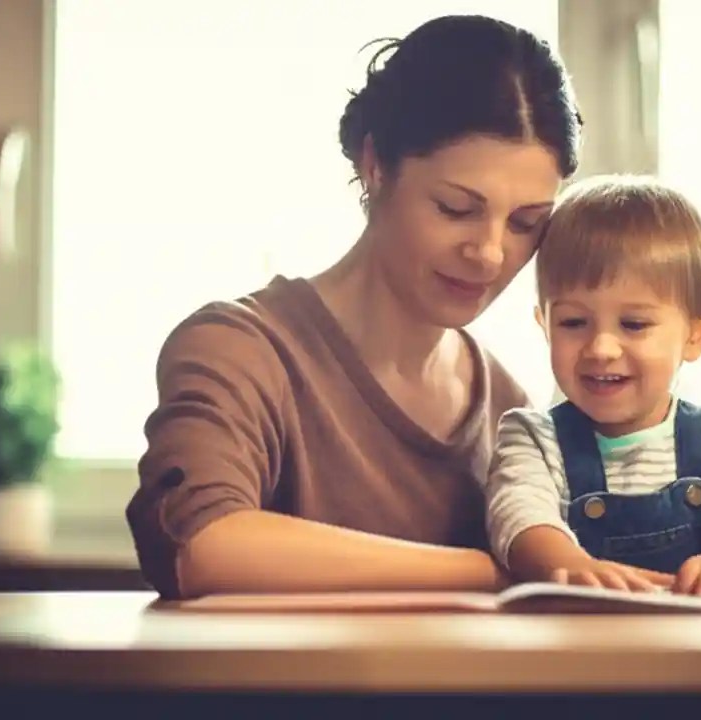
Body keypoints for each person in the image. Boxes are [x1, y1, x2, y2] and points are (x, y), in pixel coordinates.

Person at [125, 15, 584, 599]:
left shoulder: (506, 407)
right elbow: (205, 546)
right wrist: (488, 572)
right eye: (454, 208)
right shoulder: (241, 350)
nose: (490, 253)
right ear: (375, 165)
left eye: (526, 224)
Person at [481, 175, 701, 597]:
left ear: (696, 334)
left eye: (634, 324)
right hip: (578, 654)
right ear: (544, 325)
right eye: (573, 323)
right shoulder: (532, 438)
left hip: (700, 655)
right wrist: (570, 566)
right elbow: (518, 520)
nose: (601, 348)